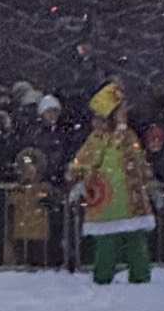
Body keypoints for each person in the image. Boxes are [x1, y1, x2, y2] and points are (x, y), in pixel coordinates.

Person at [67, 82, 159, 285]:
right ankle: (104, 282)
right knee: (108, 248)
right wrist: (80, 181)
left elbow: (140, 161)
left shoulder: (129, 136)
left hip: (132, 202)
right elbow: (83, 163)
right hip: (110, 204)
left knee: (136, 246)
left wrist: (150, 184)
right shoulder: (99, 139)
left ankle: (140, 282)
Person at [5, 148, 51, 268]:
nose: (29, 174)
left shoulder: (43, 187)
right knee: (22, 256)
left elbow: (44, 200)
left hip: (39, 229)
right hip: (21, 229)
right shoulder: (18, 187)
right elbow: (13, 199)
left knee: (38, 257)